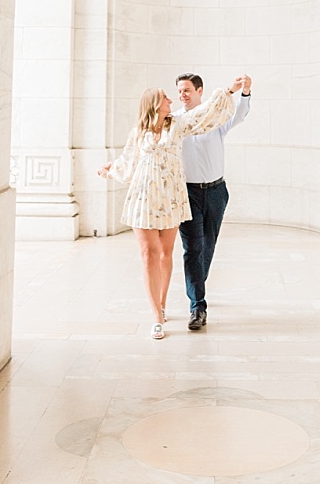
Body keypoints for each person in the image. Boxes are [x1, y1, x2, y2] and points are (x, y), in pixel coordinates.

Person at [98, 75, 246, 339]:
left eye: (176, 93)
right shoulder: (139, 132)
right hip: (144, 196)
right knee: (150, 254)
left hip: (171, 198)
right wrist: (110, 169)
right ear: (155, 104)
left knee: (167, 254)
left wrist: (230, 91)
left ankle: (164, 303)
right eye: (166, 96)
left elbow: (204, 113)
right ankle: (158, 314)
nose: (172, 99)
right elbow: (128, 161)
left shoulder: (177, 124)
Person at [172, 71, 251, 331]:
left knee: (207, 245)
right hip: (187, 193)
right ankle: (197, 306)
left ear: (199, 91)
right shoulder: (175, 122)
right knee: (193, 248)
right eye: (179, 91)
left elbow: (239, 115)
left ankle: (197, 282)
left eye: (186, 90)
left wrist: (245, 92)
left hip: (216, 191)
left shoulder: (215, 118)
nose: (182, 95)